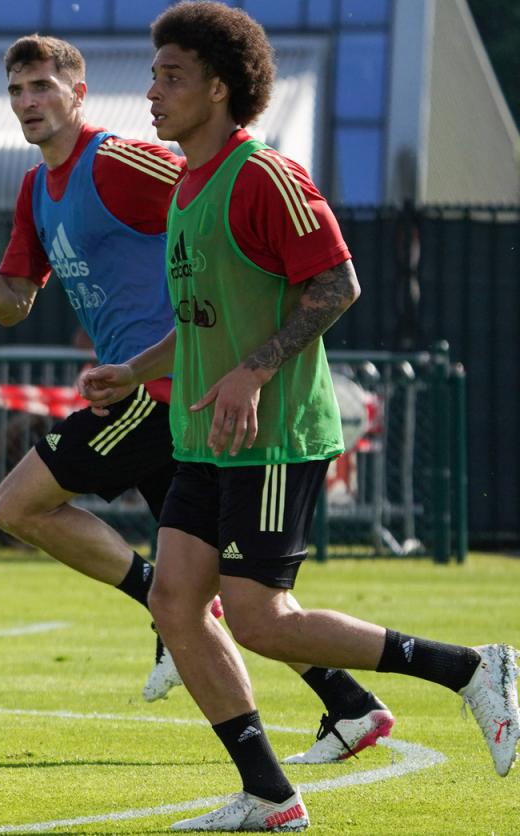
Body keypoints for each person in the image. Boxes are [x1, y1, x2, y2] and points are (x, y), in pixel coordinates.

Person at [80, 5, 518, 829]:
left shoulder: (265, 175)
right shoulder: (185, 187)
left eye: (170, 76)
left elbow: (337, 284)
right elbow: (203, 318)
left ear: (219, 87)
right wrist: (132, 372)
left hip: (272, 439)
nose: (152, 92)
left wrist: (255, 371)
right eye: (152, 75)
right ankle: (270, 796)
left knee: (262, 622)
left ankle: (471, 669)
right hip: (204, 438)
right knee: (175, 606)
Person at [0, 33, 393, 764]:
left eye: (45, 87)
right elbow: (15, 303)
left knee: (19, 505)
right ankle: (348, 702)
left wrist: (239, 334)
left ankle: (173, 613)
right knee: (237, 600)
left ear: (79, 95)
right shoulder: (33, 189)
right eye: (18, 91)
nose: (30, 103)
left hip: (168, 387)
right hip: (150, 390)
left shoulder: (116, 158)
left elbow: (206, 185)